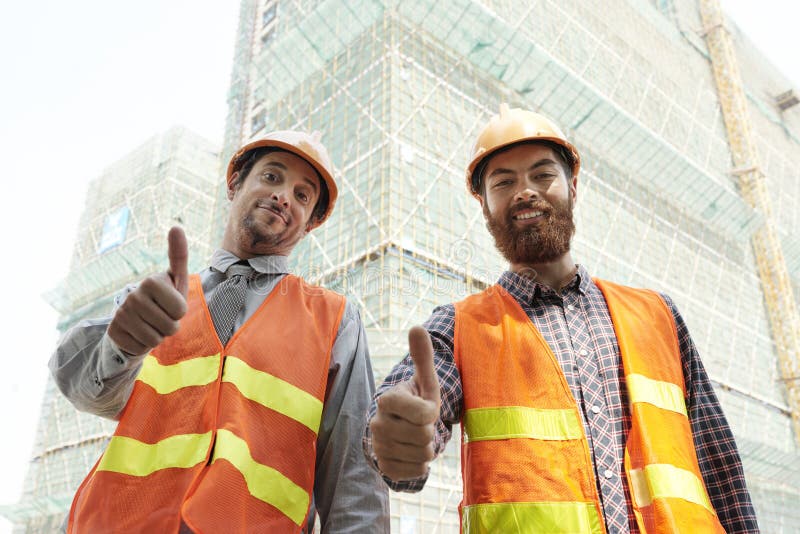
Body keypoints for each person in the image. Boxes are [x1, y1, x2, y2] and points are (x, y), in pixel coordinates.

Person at [364, 105, 759, 533]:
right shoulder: (459, 327)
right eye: (504, 182)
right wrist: (396, 435)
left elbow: (719, 468)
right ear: (484, 206)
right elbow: (405, 406)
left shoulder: (657, 315)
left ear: (573, 187)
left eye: (542, 174)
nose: (525, 191)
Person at [51, 131, 390, 533]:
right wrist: (120, 346)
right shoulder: (159, 298)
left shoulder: (334, 321)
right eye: (272, 177)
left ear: (310, 224)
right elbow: (84, 391)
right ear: (234, 184)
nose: (283, 196)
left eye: (302, 195)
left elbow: (354, 477)